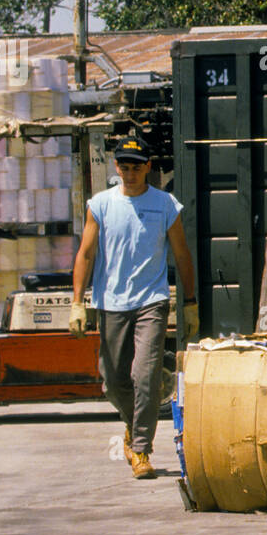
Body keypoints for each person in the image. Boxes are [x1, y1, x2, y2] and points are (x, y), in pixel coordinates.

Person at [69, 135, 200, 480]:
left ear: (148, 168)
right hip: (111, 303)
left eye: (136, 168)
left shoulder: (165, 205)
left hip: (151, 302)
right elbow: (85, 253)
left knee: (145, 377)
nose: (130, 174)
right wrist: (76, 303)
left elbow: (182, 253)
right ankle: (132, 425)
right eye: (124, 167)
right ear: (116, 168)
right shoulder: (101, 204)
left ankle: (141, 448)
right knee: (113, 383)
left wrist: (189, 302)